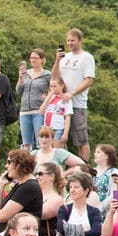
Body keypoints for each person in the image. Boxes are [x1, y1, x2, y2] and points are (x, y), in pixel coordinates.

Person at [51, 28, 95, 161]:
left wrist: (72, 93)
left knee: (81, 138)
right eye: (68, 40)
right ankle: (61, 165)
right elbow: (54, 77)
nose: (70, 43)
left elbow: (89, 79)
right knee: (59, 137)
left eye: (73, 40)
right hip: (60, 104)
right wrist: (57, 61)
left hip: (77, 104)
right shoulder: (65, 57)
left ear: (80, 40)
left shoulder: (86, 57)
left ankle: (85, 166)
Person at [16, 49, 50, 148]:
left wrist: (47, 97)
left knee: (41, 141)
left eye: (36, 58)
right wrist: (20, 77)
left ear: (42, 60)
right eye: (31, 58)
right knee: (26, 144)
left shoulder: (47, 75)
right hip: (24, 111)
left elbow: (54, 88)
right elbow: (18, 91)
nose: (33, 60)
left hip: (39, 111)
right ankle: (27, 158)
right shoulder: (26, 74)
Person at [39, 76, 72, 146]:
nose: (53, 89)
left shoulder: (65, 99)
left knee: (56, 148)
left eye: (55, 86)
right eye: (51, 87)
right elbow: (41, 111)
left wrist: (65, 133)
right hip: (47, 128)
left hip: (58, 128)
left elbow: (67, 118)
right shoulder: (50, 98)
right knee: (47, 147)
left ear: (62, 86)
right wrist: (47, 99)